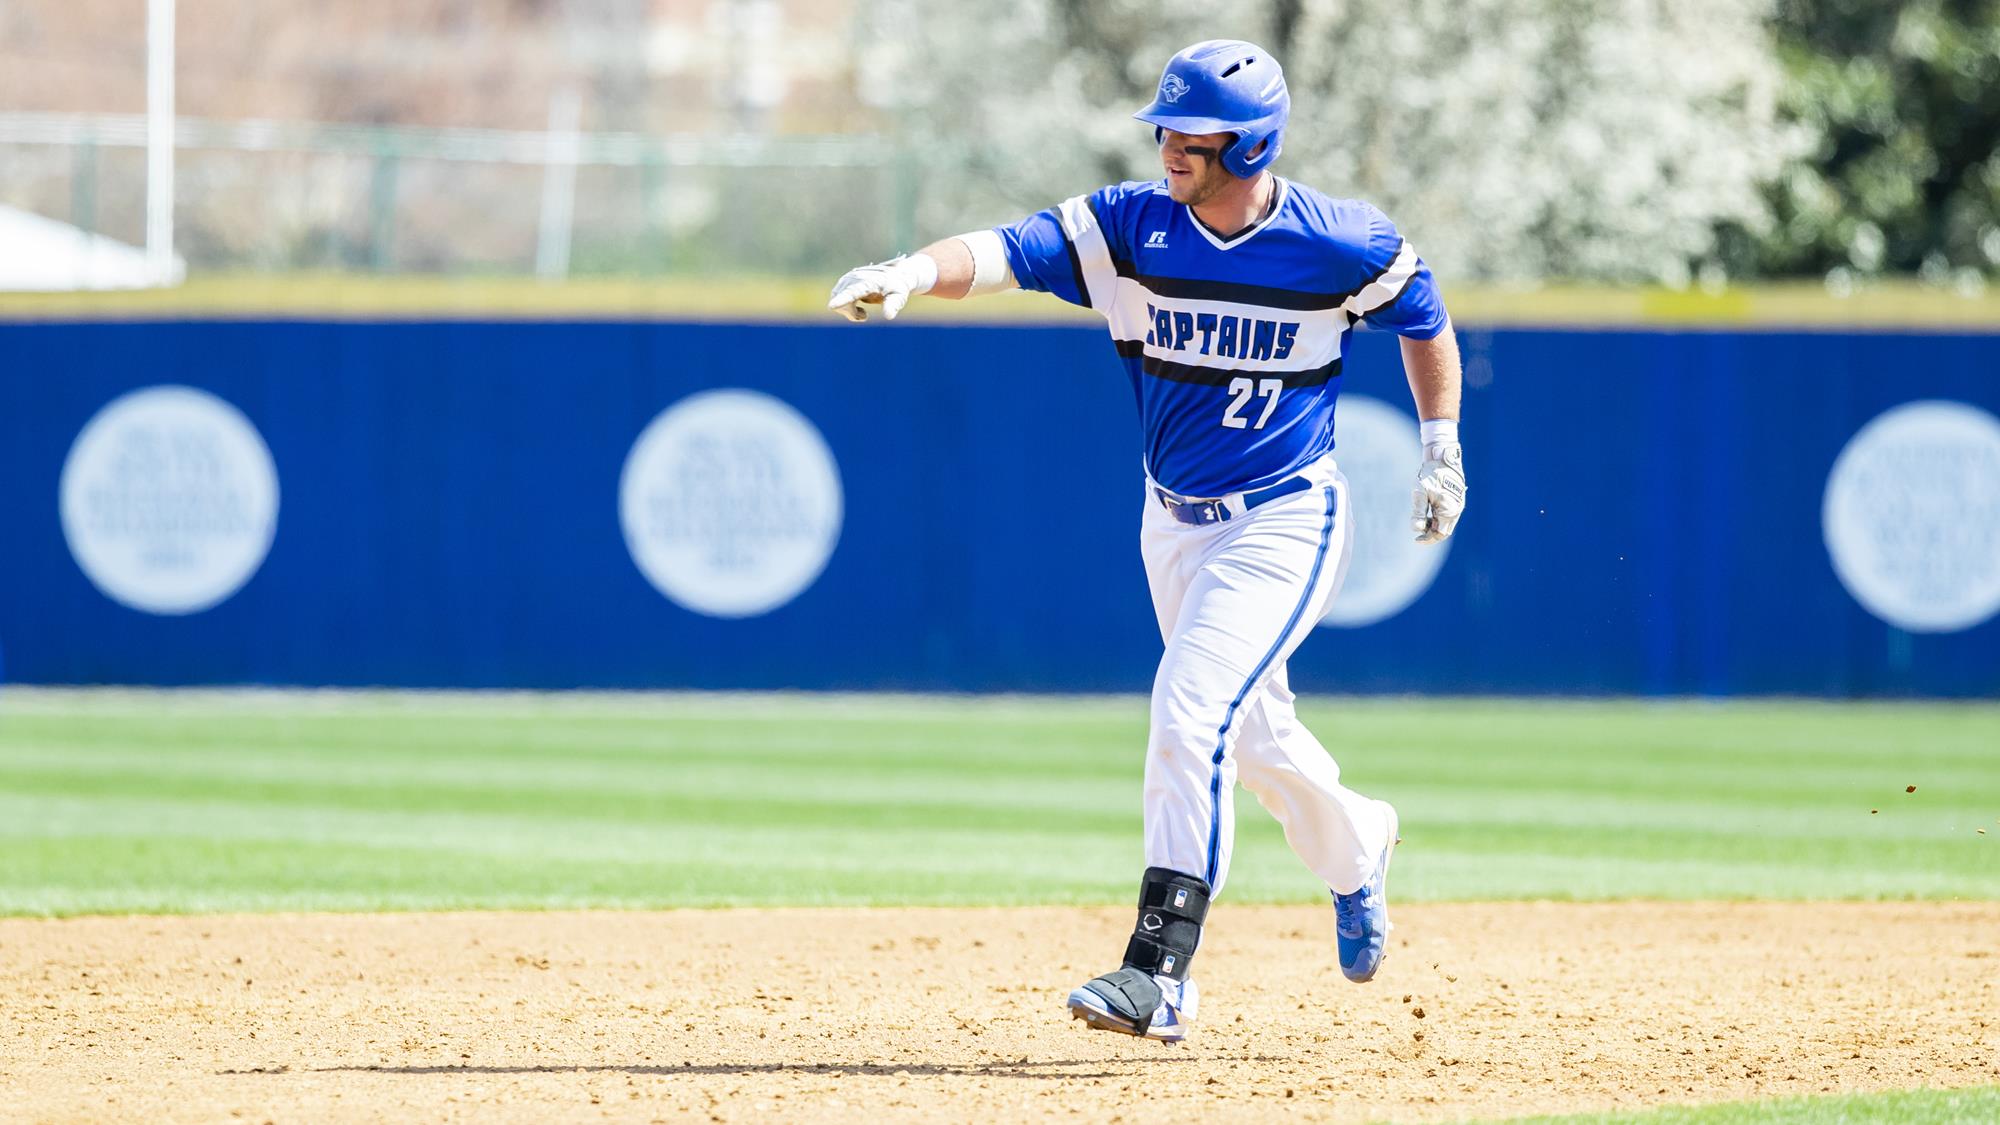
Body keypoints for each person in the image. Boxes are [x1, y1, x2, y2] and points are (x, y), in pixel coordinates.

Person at [827, 38, 1466, 1044]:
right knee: (1251, 743)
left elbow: (1423, 320)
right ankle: (1358, 847)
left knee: (1187, 710)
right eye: (1163, 126)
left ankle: (1158, 972)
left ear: (1250, 143)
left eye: (1192, 132)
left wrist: (1440, 447)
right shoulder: (1131, 229)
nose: (1169, 145)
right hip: (1170, 522)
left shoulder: (1338, 242)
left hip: (1286, 516)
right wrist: (914, 269)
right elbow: (1006, 251)